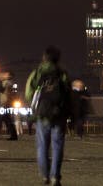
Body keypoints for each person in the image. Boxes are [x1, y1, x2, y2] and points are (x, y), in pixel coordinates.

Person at [26, 46, 71, 186]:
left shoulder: (37, 72)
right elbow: (68, 94)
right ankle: (55, 176)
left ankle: (45, 175)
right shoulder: (62, 73)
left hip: (42, 113)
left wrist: (36, 106)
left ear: (44, 57)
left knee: (42, 146)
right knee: (57, 146)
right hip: (58, 114)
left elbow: (29, 93)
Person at [0, 71, 19, 140]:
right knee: (6, 118)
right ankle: (13, 135)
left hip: (5, 103)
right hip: (7, 103)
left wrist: (4, 102)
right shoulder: (9, 82)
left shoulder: (7, 83)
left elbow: (4, 92)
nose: (4, 75)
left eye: (6, 74)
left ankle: (13, 135)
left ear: (9, 76)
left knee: (6, 119)